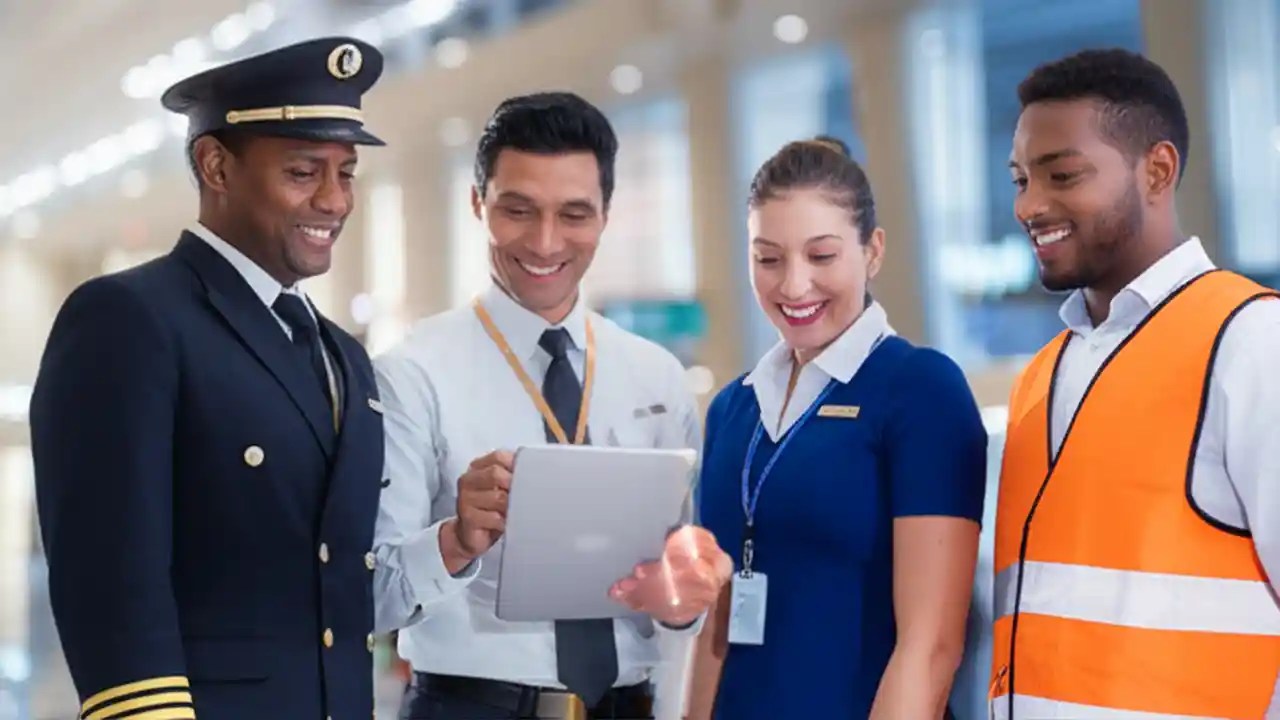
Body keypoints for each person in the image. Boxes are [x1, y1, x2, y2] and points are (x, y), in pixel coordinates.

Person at [29, 37, 388, 720]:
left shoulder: (343, 356)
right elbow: (109, 579)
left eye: (347, 173)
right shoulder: (130, 319)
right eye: (305, 171)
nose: (335, 200)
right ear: (215, 165)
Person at [370, 91, 733, 720]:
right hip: (468, 707)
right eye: (518, 210)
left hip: (627, 707)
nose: (545, 242)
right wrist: (455, 540)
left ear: (606, 214)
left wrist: (685, 599)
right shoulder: (412, 372)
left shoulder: (656, 376)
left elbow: (679, 602)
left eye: (574, 214)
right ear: (478, 203)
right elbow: (371, 596)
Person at [991, 48, 1280, 720]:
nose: (1030, 205)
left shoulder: (1251, 341)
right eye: (1019, 180)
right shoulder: (1041, 375)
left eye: (1062, 175)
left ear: (1157, 170)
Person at [684, 137, 988, 720]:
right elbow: (715, 624)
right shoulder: (732, 408)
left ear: (872, 251)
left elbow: (932, 647)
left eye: (821, 256)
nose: (793, 286)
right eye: (768, 259)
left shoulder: (920, 390)